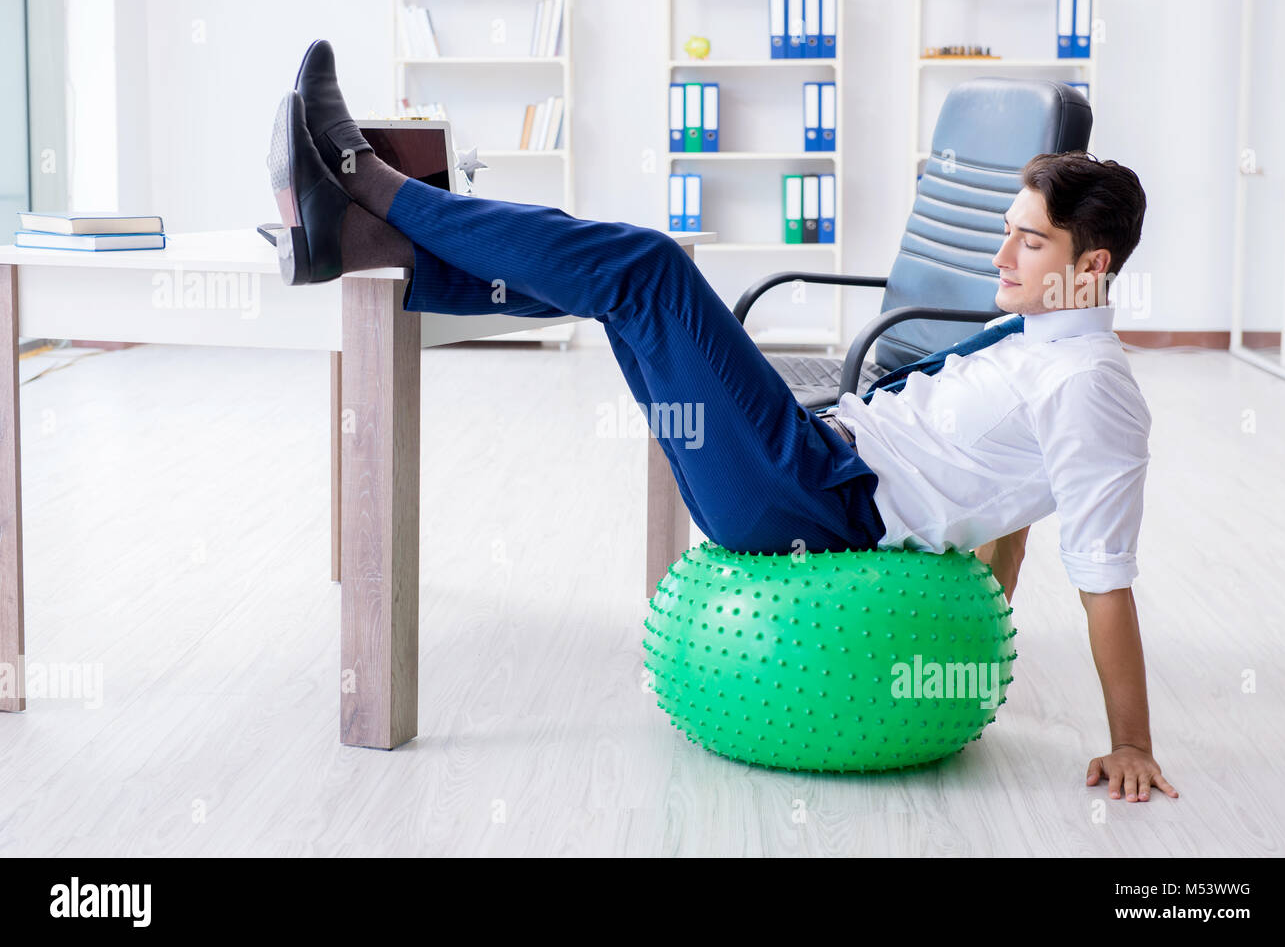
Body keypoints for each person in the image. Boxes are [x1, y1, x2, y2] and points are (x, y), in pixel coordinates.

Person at [271, 41, 1177, 803]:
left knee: (647, 269)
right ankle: (359, 241)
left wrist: (1130, 743)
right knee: (625, 293)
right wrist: (982, 603)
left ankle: (366, 178)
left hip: (816, 506)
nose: (1001, 253)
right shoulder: (1041, 336)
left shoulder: (1092, 389)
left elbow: (1104, 576)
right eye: (1008, 228)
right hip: (818, 455)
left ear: (1091, 264)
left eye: (1030, 240)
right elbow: (1017, 494)